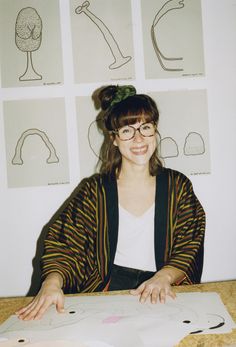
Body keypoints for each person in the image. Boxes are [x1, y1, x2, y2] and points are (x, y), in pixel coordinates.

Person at [16, 84, 205, 320]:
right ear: (114, 139)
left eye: (145, 127)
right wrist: (52, 283)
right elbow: (64, 242)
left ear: (155, 131)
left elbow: (190, 242)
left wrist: (164, 277)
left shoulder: (178, 186)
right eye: (127, 130)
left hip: (163, 286)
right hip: (105, 289)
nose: (138, 138)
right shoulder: (94, 190)